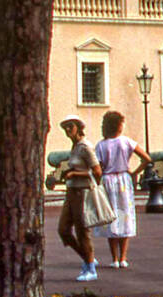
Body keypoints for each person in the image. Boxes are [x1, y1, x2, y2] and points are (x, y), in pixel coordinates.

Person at [94, 111, 151, 268]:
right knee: (125, 215)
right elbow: (146, 158)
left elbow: (97, 168)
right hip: (123, 180)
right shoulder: (126, 142)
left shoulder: (101, 145)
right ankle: (123, 257)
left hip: (107, 180)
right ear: (119, 125)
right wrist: (135, 172)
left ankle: (114, 258)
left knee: (111, 217)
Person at [56, 117, 102, 282]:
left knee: (82, 232)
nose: (68, 130)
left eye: (70, 127)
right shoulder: (75, 147)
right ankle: (87, 257)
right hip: (71, 192)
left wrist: (76, 174)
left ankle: (90, 267)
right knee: (63, 230)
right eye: (65, 128)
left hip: (82, 192)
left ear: (78, 128)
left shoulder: (85, 147)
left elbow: (97, 171)